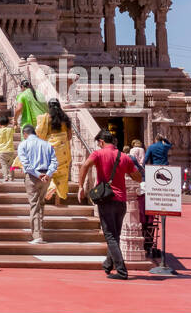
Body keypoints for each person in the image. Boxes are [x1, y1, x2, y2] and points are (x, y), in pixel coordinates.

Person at [76, 130, 142, 279]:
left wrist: (81, 186)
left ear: (101, 142)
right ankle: (108, 263)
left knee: (110, 235)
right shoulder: (124, 157)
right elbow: (137, 177)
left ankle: (122, 270)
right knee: (115, 234)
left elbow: (85, 166)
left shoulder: (98, 154)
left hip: (106, 199)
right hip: (121, 201)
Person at [16, 123, 59, 244]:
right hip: (46, 177)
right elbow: (54, 162)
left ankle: (37, 235)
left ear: (25, 133)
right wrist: (48, 174)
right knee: (41, 203)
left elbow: (25, 163)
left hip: (32, 177)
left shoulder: (23, 144)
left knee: (34, 204)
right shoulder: (47, 144)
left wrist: (36, 173)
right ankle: (40, 230)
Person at [35, 99, 73, 205]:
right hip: (63, 149)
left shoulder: (45, 118)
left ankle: (50, 189)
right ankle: (58, 201)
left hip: (50, 148)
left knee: (49, 172)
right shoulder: (65, 119)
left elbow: (40, 134)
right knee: (62, 175)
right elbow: (69, 136)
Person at [0, 113, 19, 181]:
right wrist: (14, 123)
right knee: (11, 164)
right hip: (10, 150)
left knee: (4, 165)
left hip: (2, 151)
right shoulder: (10, 130)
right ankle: (12, 177)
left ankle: (6, 176)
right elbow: (16, 127)